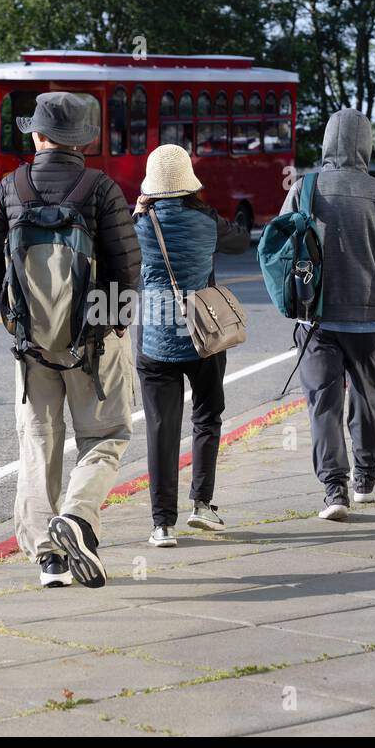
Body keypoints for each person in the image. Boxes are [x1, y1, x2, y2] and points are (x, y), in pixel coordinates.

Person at [0, 92, 140, 589]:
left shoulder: (11, 188)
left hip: (31, 347)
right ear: (83, 140)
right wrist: (111, 328)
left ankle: (49, 560)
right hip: (94, 342)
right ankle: (77, 516)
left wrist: (27, 315)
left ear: (38, 135)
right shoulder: (101, 187)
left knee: (38, 445)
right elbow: (127, 271)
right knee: (106, 436)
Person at [279, 108, 375, 522]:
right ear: (366, 145)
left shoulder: (305, 189)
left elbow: (277, 251)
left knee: (323, 404)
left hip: (316, 322)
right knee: (368, 401)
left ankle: (335, 490)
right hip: (369, 323)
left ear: (327, 142)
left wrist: (289, 301)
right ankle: (365, 478)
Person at [133, 144, 249, 547]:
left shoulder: (141, 224)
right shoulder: (206, 221)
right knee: (207, 418)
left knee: (161, 429)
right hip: (205, 335)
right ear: (188, 184)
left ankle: (162, 524)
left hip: (156, 338)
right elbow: (240, 242)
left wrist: (139, 209)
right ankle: (202, 503)